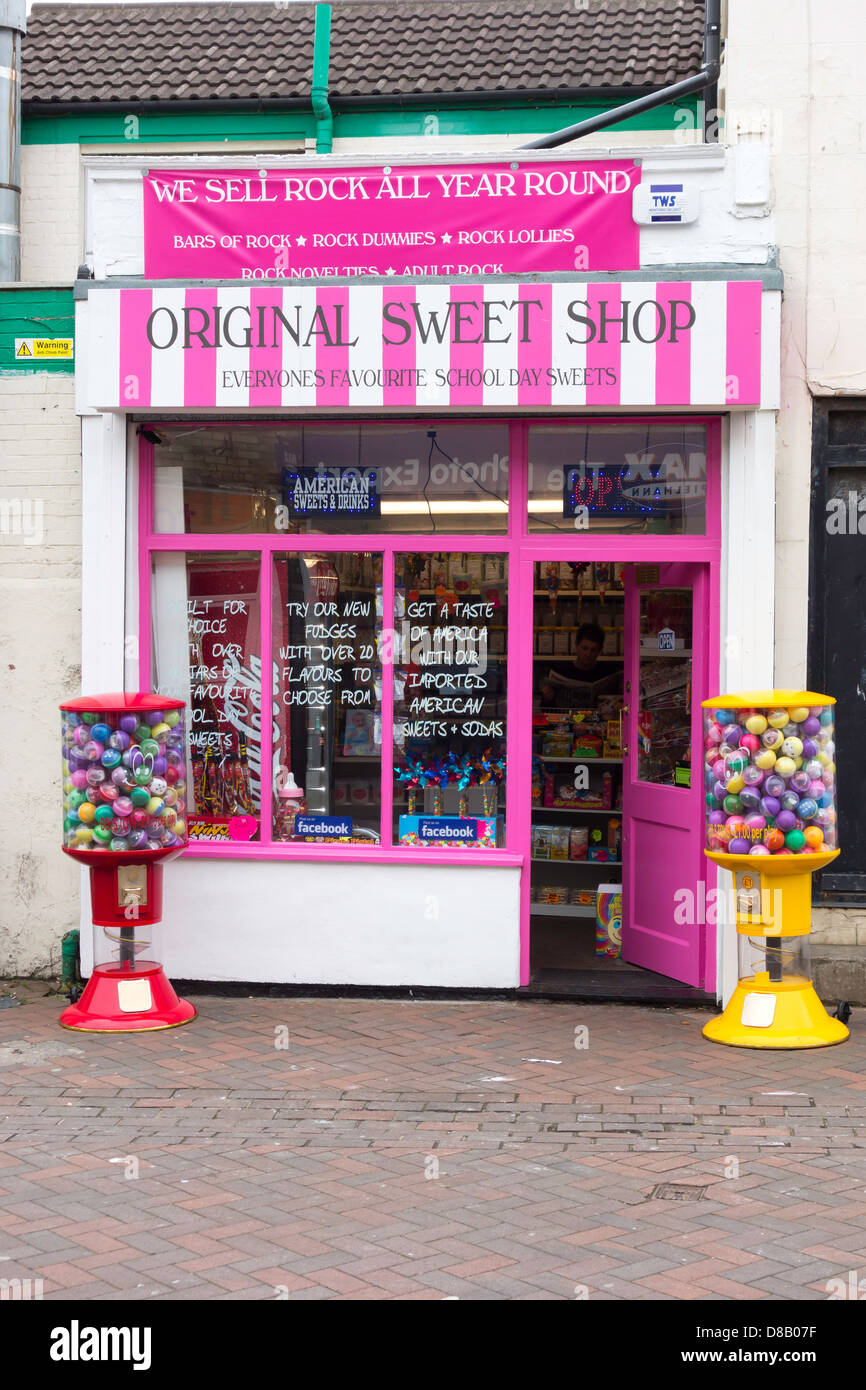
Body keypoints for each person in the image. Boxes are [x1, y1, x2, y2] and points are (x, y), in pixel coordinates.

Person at [539, 622, 622, 708]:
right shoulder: (561, 671)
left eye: (593, 650)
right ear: (576, 645)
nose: (588, 654)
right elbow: (546, 709)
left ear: (600, 651)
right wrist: (547, 697)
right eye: (584, 648)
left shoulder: (607, 674)